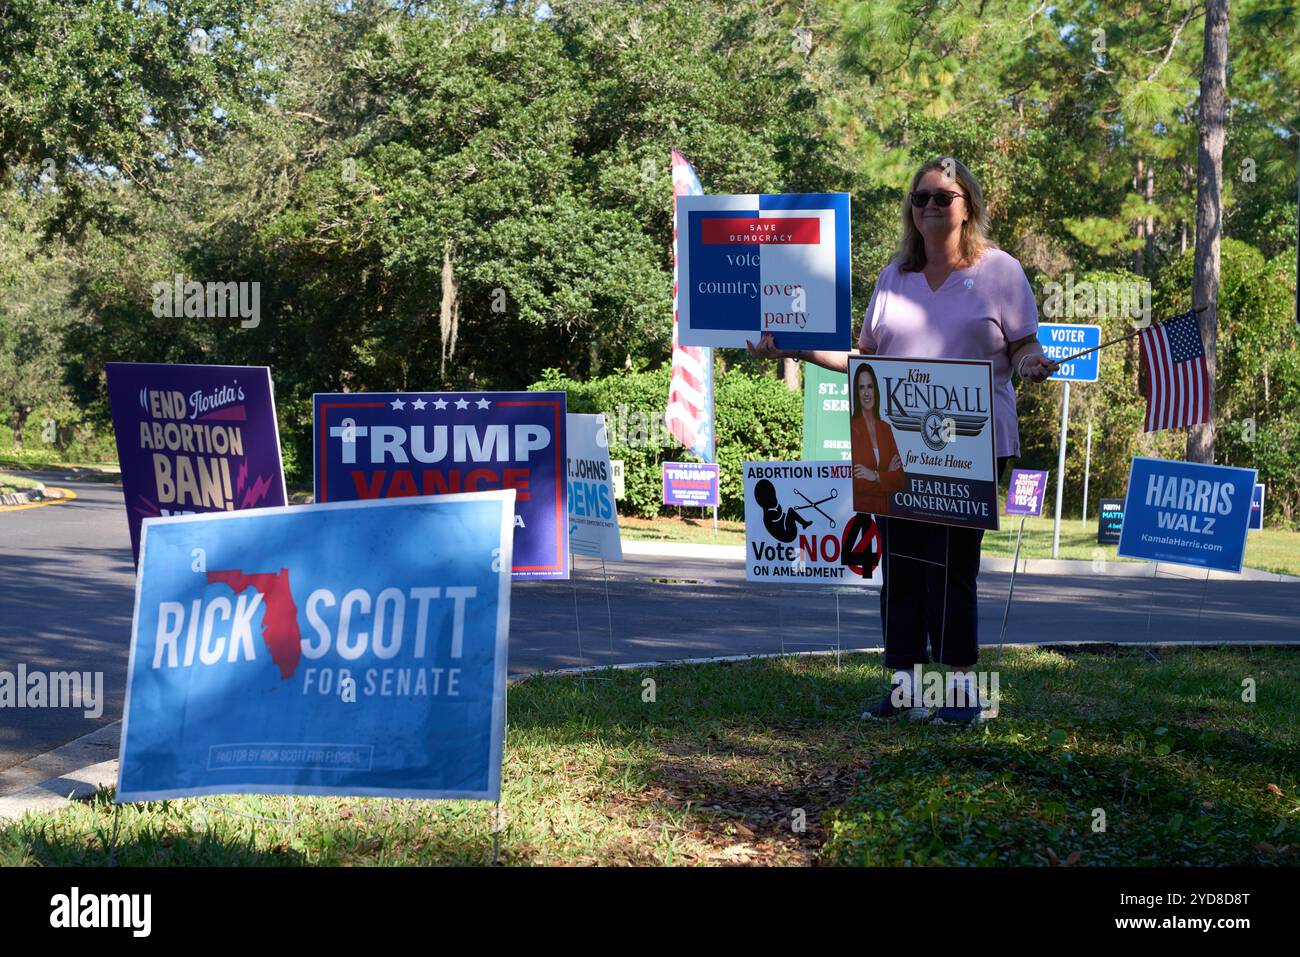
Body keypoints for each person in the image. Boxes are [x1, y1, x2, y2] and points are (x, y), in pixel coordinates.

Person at [748, 156, 1058, 725]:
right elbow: (865, 359)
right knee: (904, 565)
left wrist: (1033, 360)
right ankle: (906, 689)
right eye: (921, 199)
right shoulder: (895, 274)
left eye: (944, 197)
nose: (932, 207)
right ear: (910, 210)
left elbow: (1021, 348)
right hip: (894, 442)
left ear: (969, 206)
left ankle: (964, 695)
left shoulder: (1001, 272)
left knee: (952, 566)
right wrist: (793, 345)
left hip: (972, 443)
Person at [849, 361, 905, 515]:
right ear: (856, 392)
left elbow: (900, 479)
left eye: (870, 386)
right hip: (862, 514)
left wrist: (874, 475)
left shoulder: (886, 429)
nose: (866, 393)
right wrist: (887, 474)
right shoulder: (852, 428)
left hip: (885, 511)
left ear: (876, 390)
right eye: (861, 388)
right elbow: (858, 484)